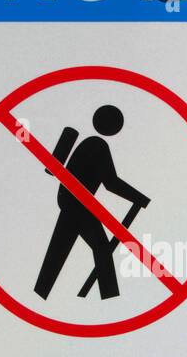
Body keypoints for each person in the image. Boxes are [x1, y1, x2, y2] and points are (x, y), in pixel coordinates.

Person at [34, 105, 147, 301]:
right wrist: (138, 198)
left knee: (58, 254)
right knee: (100, 247)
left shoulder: (91, 144)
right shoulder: (98, 145)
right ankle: (110, 297)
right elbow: (110, 183)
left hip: (71, 200)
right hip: (77, 202)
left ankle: (40, 294)